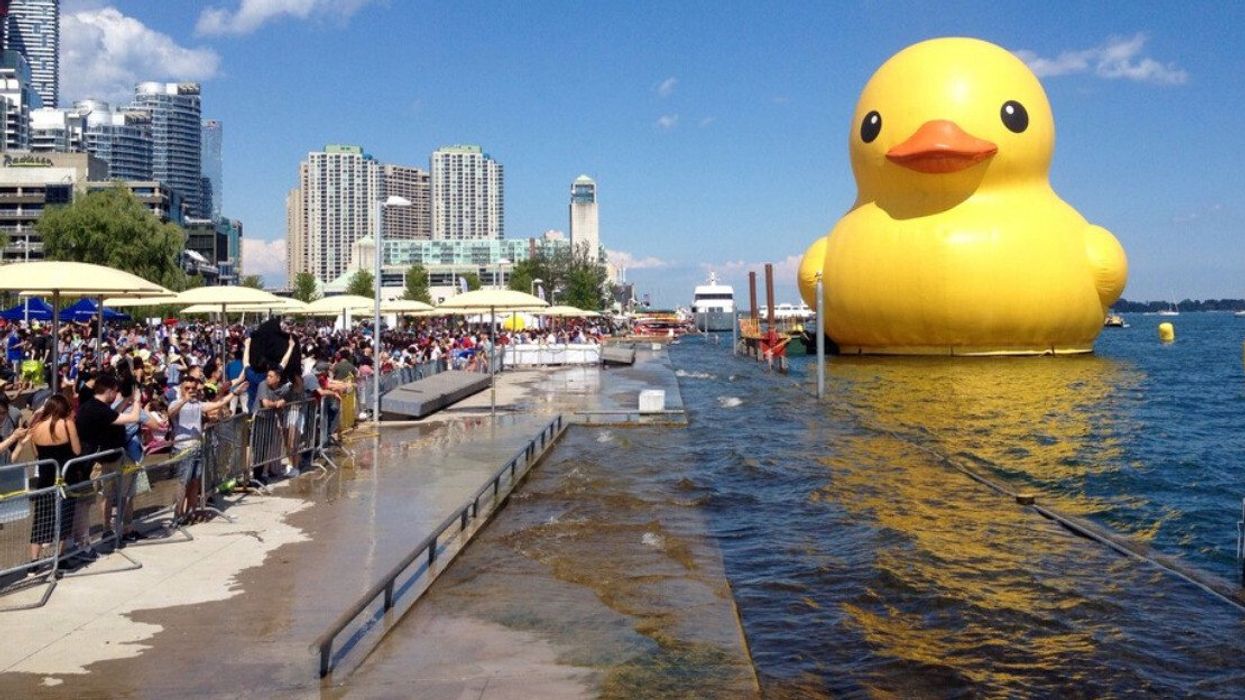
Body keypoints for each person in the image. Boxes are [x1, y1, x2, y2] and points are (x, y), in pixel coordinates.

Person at [75, 374, 143, 542]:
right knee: (125, 494)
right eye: (115, 391)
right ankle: (124, 529)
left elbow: (113, 414)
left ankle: (107, 529)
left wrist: (126, 400)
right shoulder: (99, 409)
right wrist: (137, 401)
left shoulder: (89, 406)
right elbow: (133, 418)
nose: (116, 394)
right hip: (110, 459)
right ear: (109, 390)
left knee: (106, 495)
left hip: (98, 459)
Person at [168, 375, 241, 522]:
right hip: (183, 449)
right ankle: (178, 515)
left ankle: (191, 512)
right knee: (183, 482)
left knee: (195, 482)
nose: (191, 391)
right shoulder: (175, 403)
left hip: (197, 447)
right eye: (187, 388)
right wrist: (184, 400)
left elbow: (218, 404)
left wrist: (235, 392)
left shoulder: (198, 405)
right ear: (181, 389)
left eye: (193, 388)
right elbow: (171, 413)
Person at [25, 395, 81, 564]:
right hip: (66, 476)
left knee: (41, 517)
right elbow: (77, 451)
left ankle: (34, 562)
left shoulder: (36, 427)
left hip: (45, 476)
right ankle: (60, 558)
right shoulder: (67, 423)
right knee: (65, 517)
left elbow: (36, 454)